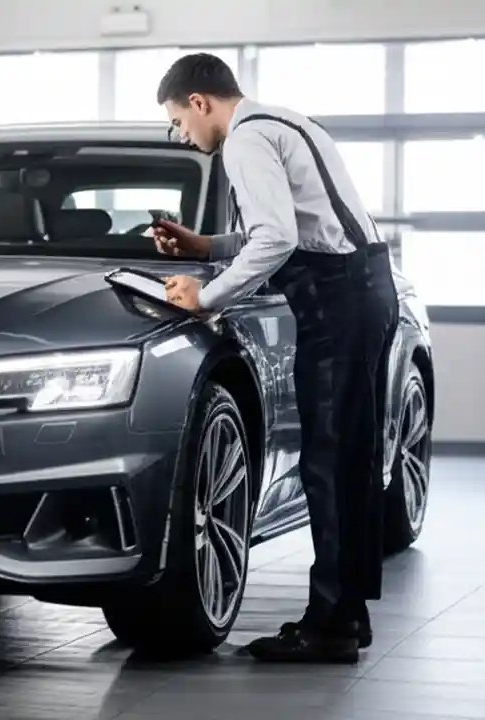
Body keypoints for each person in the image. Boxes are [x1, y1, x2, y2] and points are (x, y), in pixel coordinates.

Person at [152, 53, 399, 663]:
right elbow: (285, 224)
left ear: (200, 102)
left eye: (178, 121)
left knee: (328, 465)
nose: (183, 135)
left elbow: (280, 239)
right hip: (366, 287)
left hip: (336, 301)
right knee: (352, 461)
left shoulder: (244, 141)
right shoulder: (288, 123)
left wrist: (203, 296)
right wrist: (206, 244)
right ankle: (348, 615)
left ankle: (329, 628)